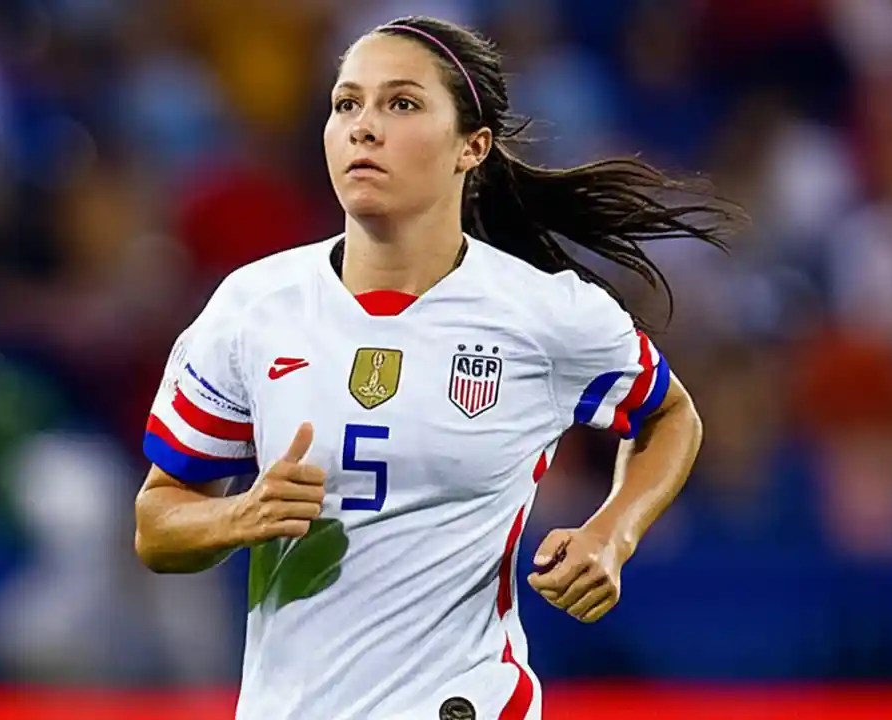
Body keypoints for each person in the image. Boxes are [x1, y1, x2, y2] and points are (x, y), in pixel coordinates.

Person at [134, 15, 737, 719]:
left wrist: (613, 532)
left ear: (471, 146)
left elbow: (669, 414)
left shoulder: (546, 314)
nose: (364, 126)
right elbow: (156, 523)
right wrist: (240, 514)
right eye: (346, 103)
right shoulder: (253, 307)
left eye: (402, 103)